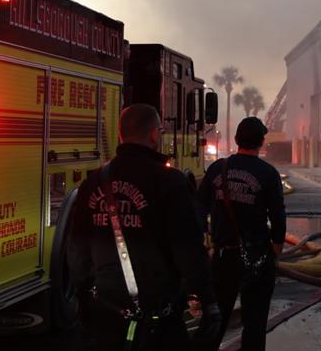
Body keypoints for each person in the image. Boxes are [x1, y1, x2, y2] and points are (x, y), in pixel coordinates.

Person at [67, 104, 220, 351]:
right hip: (158, 318)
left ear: (121, 135)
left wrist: (83, 295)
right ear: (153, 134)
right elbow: (188, 249)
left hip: (106, 312)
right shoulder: (170, 181)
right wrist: (207, 300)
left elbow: (77, 249)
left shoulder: (93, 182)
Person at [197, 116, 286, 351]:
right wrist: (275, 251)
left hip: (223, 257)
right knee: (254, 324)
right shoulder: (268, 173)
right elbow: (278, 216)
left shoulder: (218, 169)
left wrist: (204, 243)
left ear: (236, 140)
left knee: (215, 318)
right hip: (257, 257)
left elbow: (198, 208)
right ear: (262, 142)